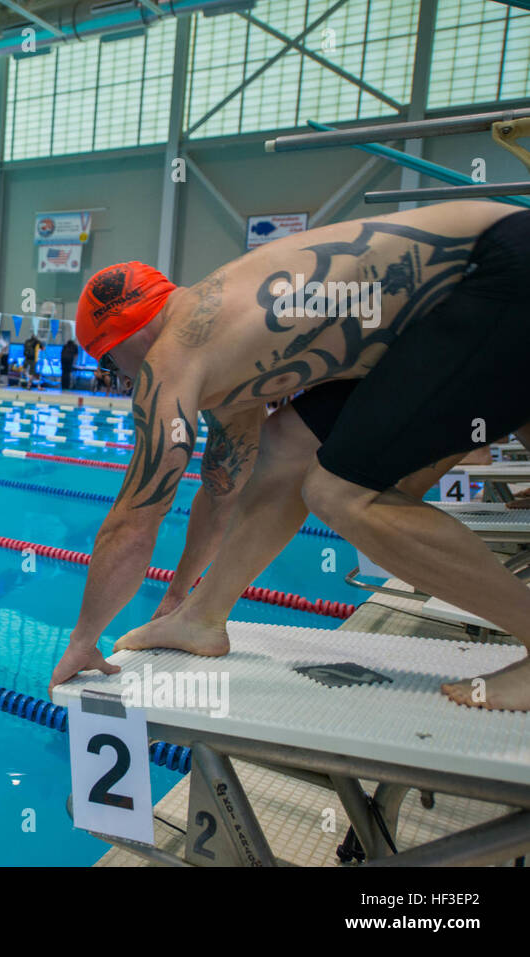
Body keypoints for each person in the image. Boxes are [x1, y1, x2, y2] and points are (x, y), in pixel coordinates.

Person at [47, 201, 530, 711]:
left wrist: (84, 639)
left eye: (108, 361)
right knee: (285, 449)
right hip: (480, 280)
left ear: (129, 334)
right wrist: (180, 594)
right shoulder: (225, 347)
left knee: (342, 494)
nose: (120, 380)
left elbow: (134, 523)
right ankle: (202, 618)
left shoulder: (172, 359)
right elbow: (222, 492)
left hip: (497, 273)